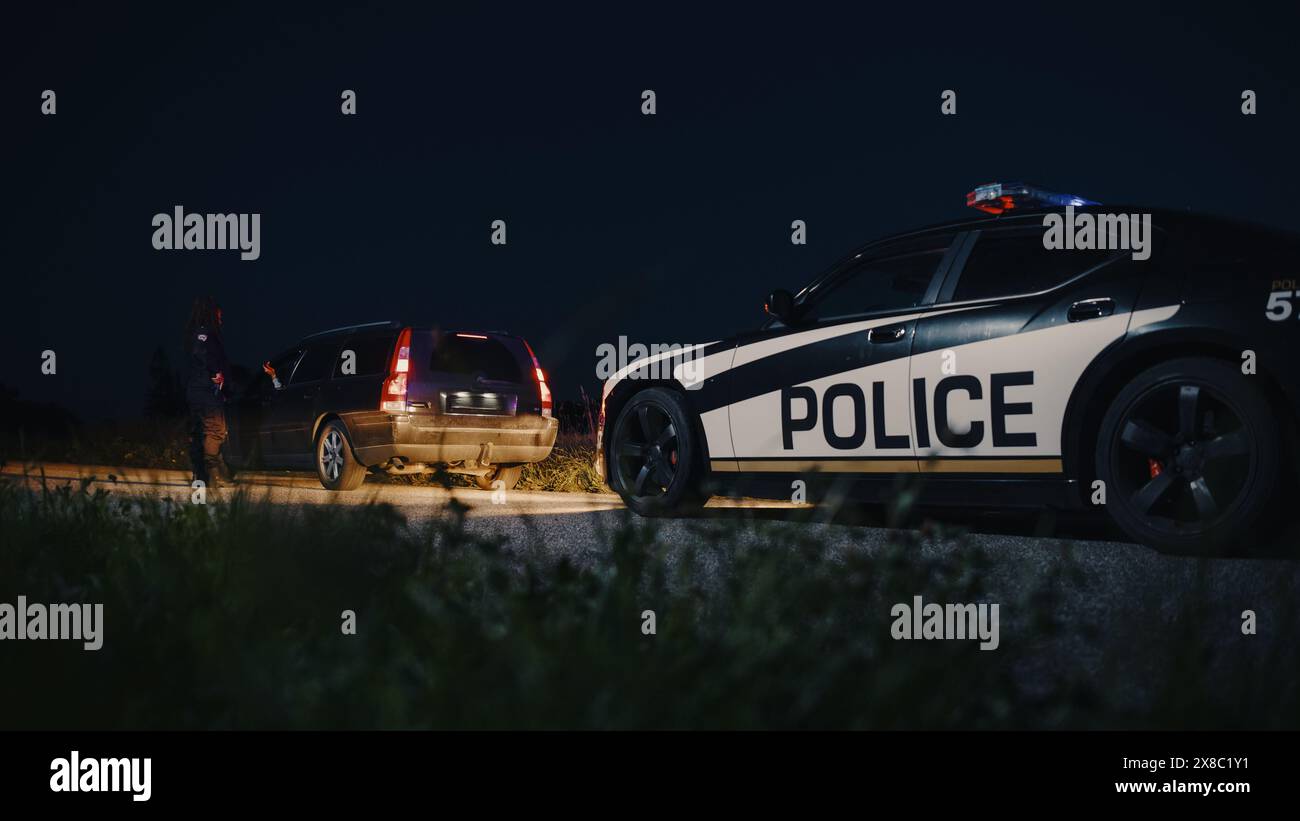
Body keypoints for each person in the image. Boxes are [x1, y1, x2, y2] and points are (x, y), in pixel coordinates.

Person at [184, 296, 235, 487]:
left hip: (198, 390)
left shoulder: (198, 332)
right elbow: (201, 353)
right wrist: (216, 372)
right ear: (211, 314)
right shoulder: (203, 333)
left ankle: (202, 475)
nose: (221, 319)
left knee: (200, 432)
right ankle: (208, 474)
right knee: (215, 431)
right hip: (204, 391)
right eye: (218, 315)